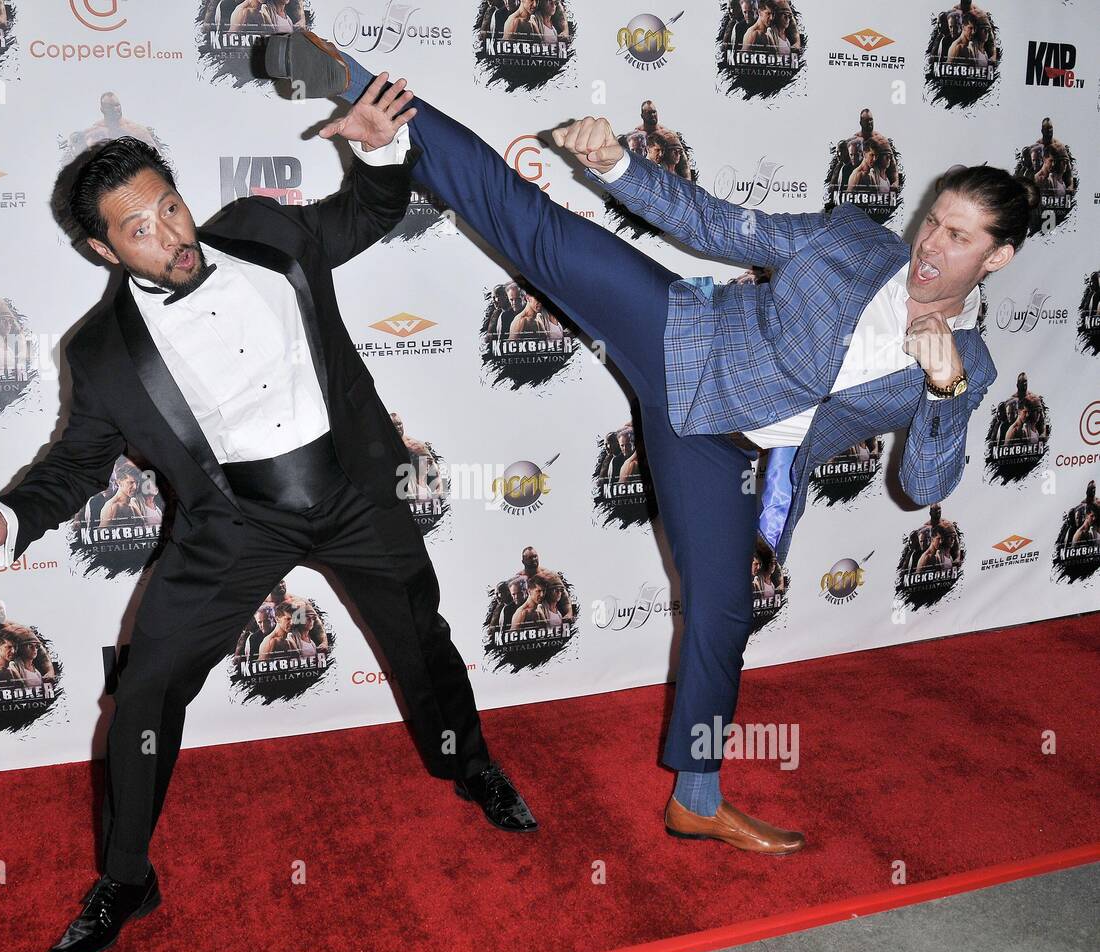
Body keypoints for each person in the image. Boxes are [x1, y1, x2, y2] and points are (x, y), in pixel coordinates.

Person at [266, 30, 1033, 856]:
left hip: (722, 452)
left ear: (998, 258)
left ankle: (696, 800)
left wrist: (947, 390)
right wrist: (620, 169)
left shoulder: (972, 365)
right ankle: (351, 78)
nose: (930, 246)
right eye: (934, 222)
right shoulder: (851, 244)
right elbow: (720, 226)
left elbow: (923, 485)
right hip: (685, 336)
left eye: (959, 237)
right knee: (530, 223)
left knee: (723, 615)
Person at [0, 72, 538, 952]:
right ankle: (128, 874)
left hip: (357, 490)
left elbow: (365, 213)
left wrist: (373, 149)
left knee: (421, 638)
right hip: (234, 523)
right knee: (145, 689)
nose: (171, 236)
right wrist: (8, 515)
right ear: (100, 250)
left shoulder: (262, 229)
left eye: (169, 207)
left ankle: (467, 763)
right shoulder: (98, 354)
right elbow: (76, 464)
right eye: (139, 229)